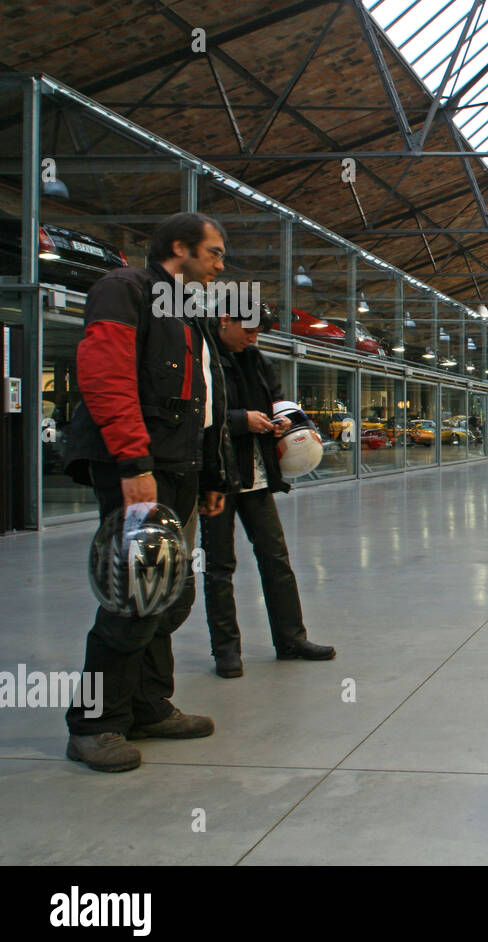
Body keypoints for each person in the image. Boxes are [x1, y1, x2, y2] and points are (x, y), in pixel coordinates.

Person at [62, 212, 231, 773]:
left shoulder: (189, 314)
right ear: (179, 247)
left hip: (178, 470)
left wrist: (210, 477)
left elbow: (202, 404)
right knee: (135, 594)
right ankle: (94, 723)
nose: (219, 265)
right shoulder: (124, 289)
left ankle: (147, 703)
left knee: (170, 594)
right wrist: (133, 461)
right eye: (213, 253)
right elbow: (105, 376)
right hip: (138, 468)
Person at [201, 308, 335, 679]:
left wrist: (281, 423)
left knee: (276, 559)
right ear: (224, 319)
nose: (253, 338)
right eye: (248, 330)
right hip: (219, 477)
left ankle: (291, 639)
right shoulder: (202, 355)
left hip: (257, 476)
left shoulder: (258, 360)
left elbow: (277, 402)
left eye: (258, 332)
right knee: (219, 566)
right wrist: (242, 420)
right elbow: (199, 414)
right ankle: (226, 651)